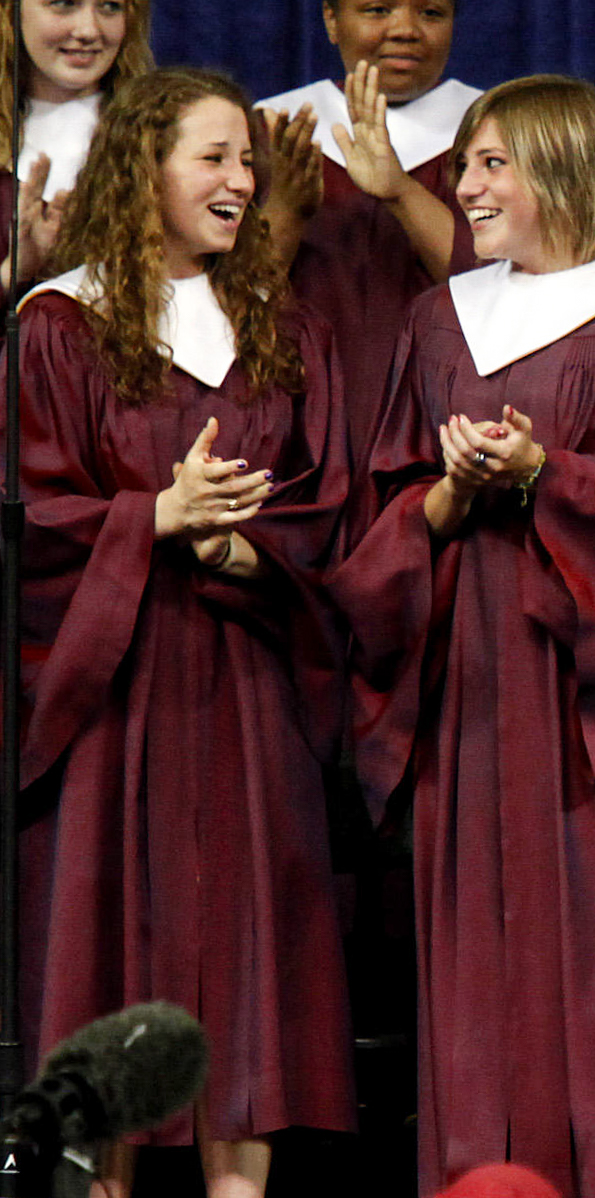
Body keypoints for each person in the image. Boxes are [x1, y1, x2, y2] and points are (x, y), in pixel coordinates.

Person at [332, 75, 595, 1198]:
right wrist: (454, 493)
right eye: (466, 163)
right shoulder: (440, 319)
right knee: (479, 948)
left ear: (560, 168)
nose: (464, 186)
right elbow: (390, 506)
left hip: (594, 686)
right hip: (470, 672)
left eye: (491, 163)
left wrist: (547, 474)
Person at [18, 67, 353, 1198]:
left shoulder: (282, 328)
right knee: (113, 938)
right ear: (141, 171)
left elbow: (328, 503)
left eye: (247, 160)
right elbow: (25, 514)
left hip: (247, 680)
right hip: (112, 686)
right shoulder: (59, 325)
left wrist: (242, 551)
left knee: (247, 945)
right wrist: (153, 516)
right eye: (213, 158)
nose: (242, 180)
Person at [256, 0, 481, 454]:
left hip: (443, 415)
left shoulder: (493, 133)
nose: (405, 29)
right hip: (295, 410)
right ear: (332, 19)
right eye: (377, 9)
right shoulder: (273, 130)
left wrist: (399, 189)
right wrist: (286, 206)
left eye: (431, 12)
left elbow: (496, 286)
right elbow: (235, 297)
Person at [0, 0, 153, 288]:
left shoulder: (160, 136)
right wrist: (14, 273)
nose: (88, 30)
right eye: (64, 4)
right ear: (10, 8)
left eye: (110, 7)